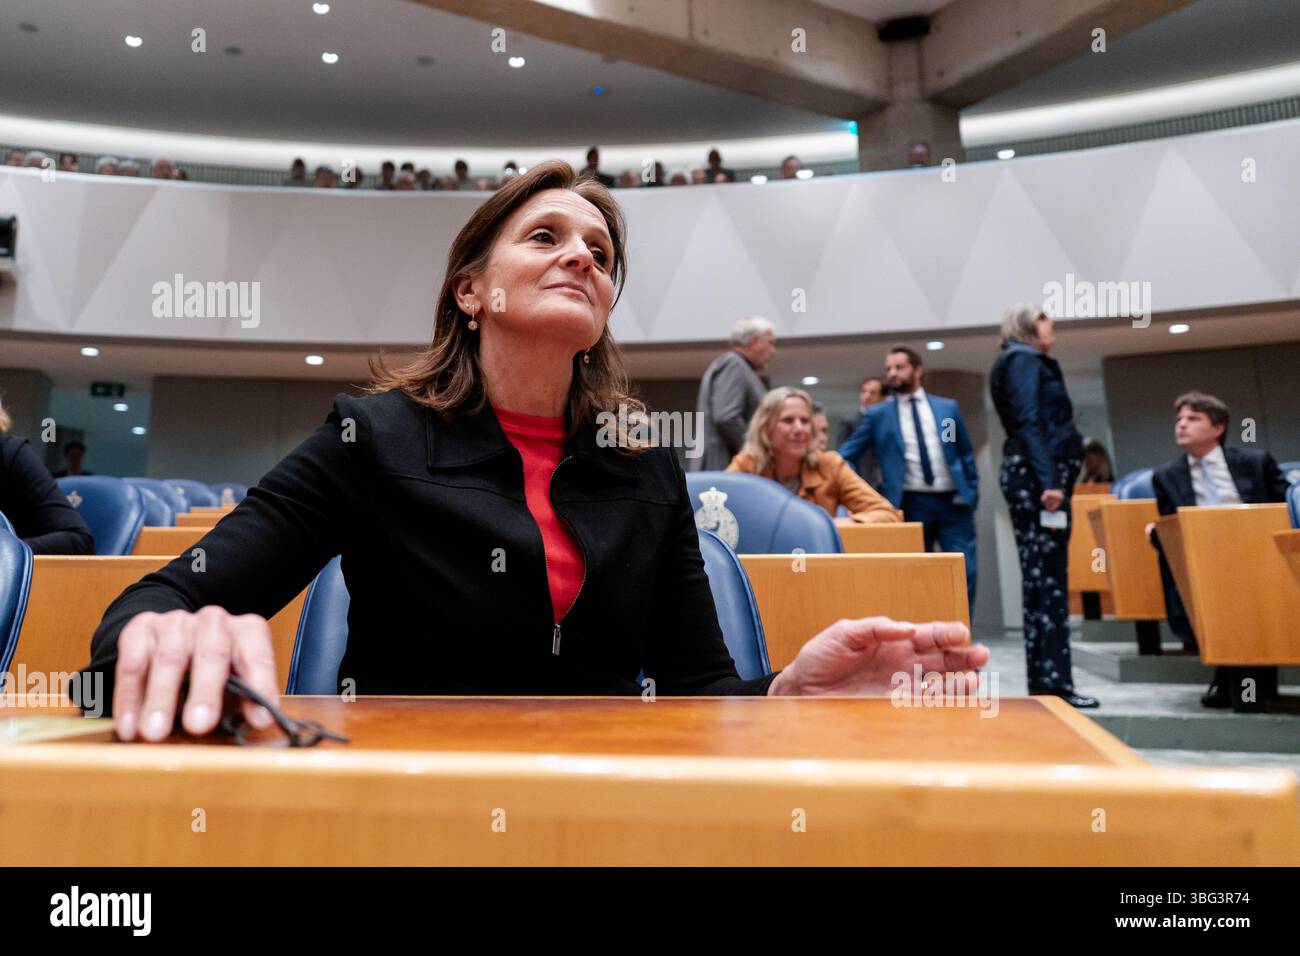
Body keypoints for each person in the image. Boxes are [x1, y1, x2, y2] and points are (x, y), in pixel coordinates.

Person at [81, 160, 986, 742]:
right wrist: (162, 632)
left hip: (602, 811)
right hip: (406, 807)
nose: (583, 259)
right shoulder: (371, 437)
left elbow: (702, 695)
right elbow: (151, 604)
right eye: (547, 238)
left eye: (600, 252)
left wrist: (788, 698)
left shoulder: (646, 467)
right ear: (472, 291)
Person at [1148, 391, 1289, 711]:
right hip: (1206, 565)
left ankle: (1232, 682)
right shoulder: (1166, 475)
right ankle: (1249, 684)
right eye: (1179, 419)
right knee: (1226, 593)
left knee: (1247, 592)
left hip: (1262, 558)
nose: (1182, 425)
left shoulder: (1255, 462)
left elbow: (1285, 510)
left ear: (1218, 428)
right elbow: (1172, 526)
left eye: (1193, 418)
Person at [990, 305, 1095, 708]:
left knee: (1045, 584)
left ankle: (1050, 683)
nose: (1053, 331)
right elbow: (1028, 421)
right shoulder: (1021, 359)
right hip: (1039, 481)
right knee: (1046, 585)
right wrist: (1049, 481)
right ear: (1029, 328)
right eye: (1047, 323)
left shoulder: (1023, 359)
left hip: (1039, 477)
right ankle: (1053, 685)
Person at [838, 346, 980, 611]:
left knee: (965, 572)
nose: (892, 373)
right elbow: (847, 454)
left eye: (899, 367)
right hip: (909, 504)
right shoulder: (879, 415)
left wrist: (971, 489)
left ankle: (960, 638)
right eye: (888, 368)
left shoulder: (946, 409)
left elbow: (962, 451)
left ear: (917, 370)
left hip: (954, 503)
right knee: (915, 577)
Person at [727, 388, 901, 524]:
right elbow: (713, 515)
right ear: (765, 428)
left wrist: (830, 526)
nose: (799, 429)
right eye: (788, 420)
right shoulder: (746, 465)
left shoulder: (829, 465)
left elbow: (888, 514)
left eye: (804, 421)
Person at [0, 399, 94, 554]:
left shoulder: (10, 453)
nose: (75, 459)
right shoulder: (58, 474)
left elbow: (79, 541)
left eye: (78, 455)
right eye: (72, 455)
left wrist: (7, 553)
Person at [690, 316, 775, 472]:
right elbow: (726, 416)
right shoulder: (734, 365)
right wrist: (756, 450)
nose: (773, 351)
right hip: (724, 465)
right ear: (754, 341)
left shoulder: (740, 366)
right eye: (770, 343)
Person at [836, 375, 888, 489]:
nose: (866, 396)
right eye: (864, 391)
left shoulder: (888, 420)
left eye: (872, 393)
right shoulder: (849, 420)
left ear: (883, 398)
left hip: (886, 483)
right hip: (861, 481)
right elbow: (842, 453)